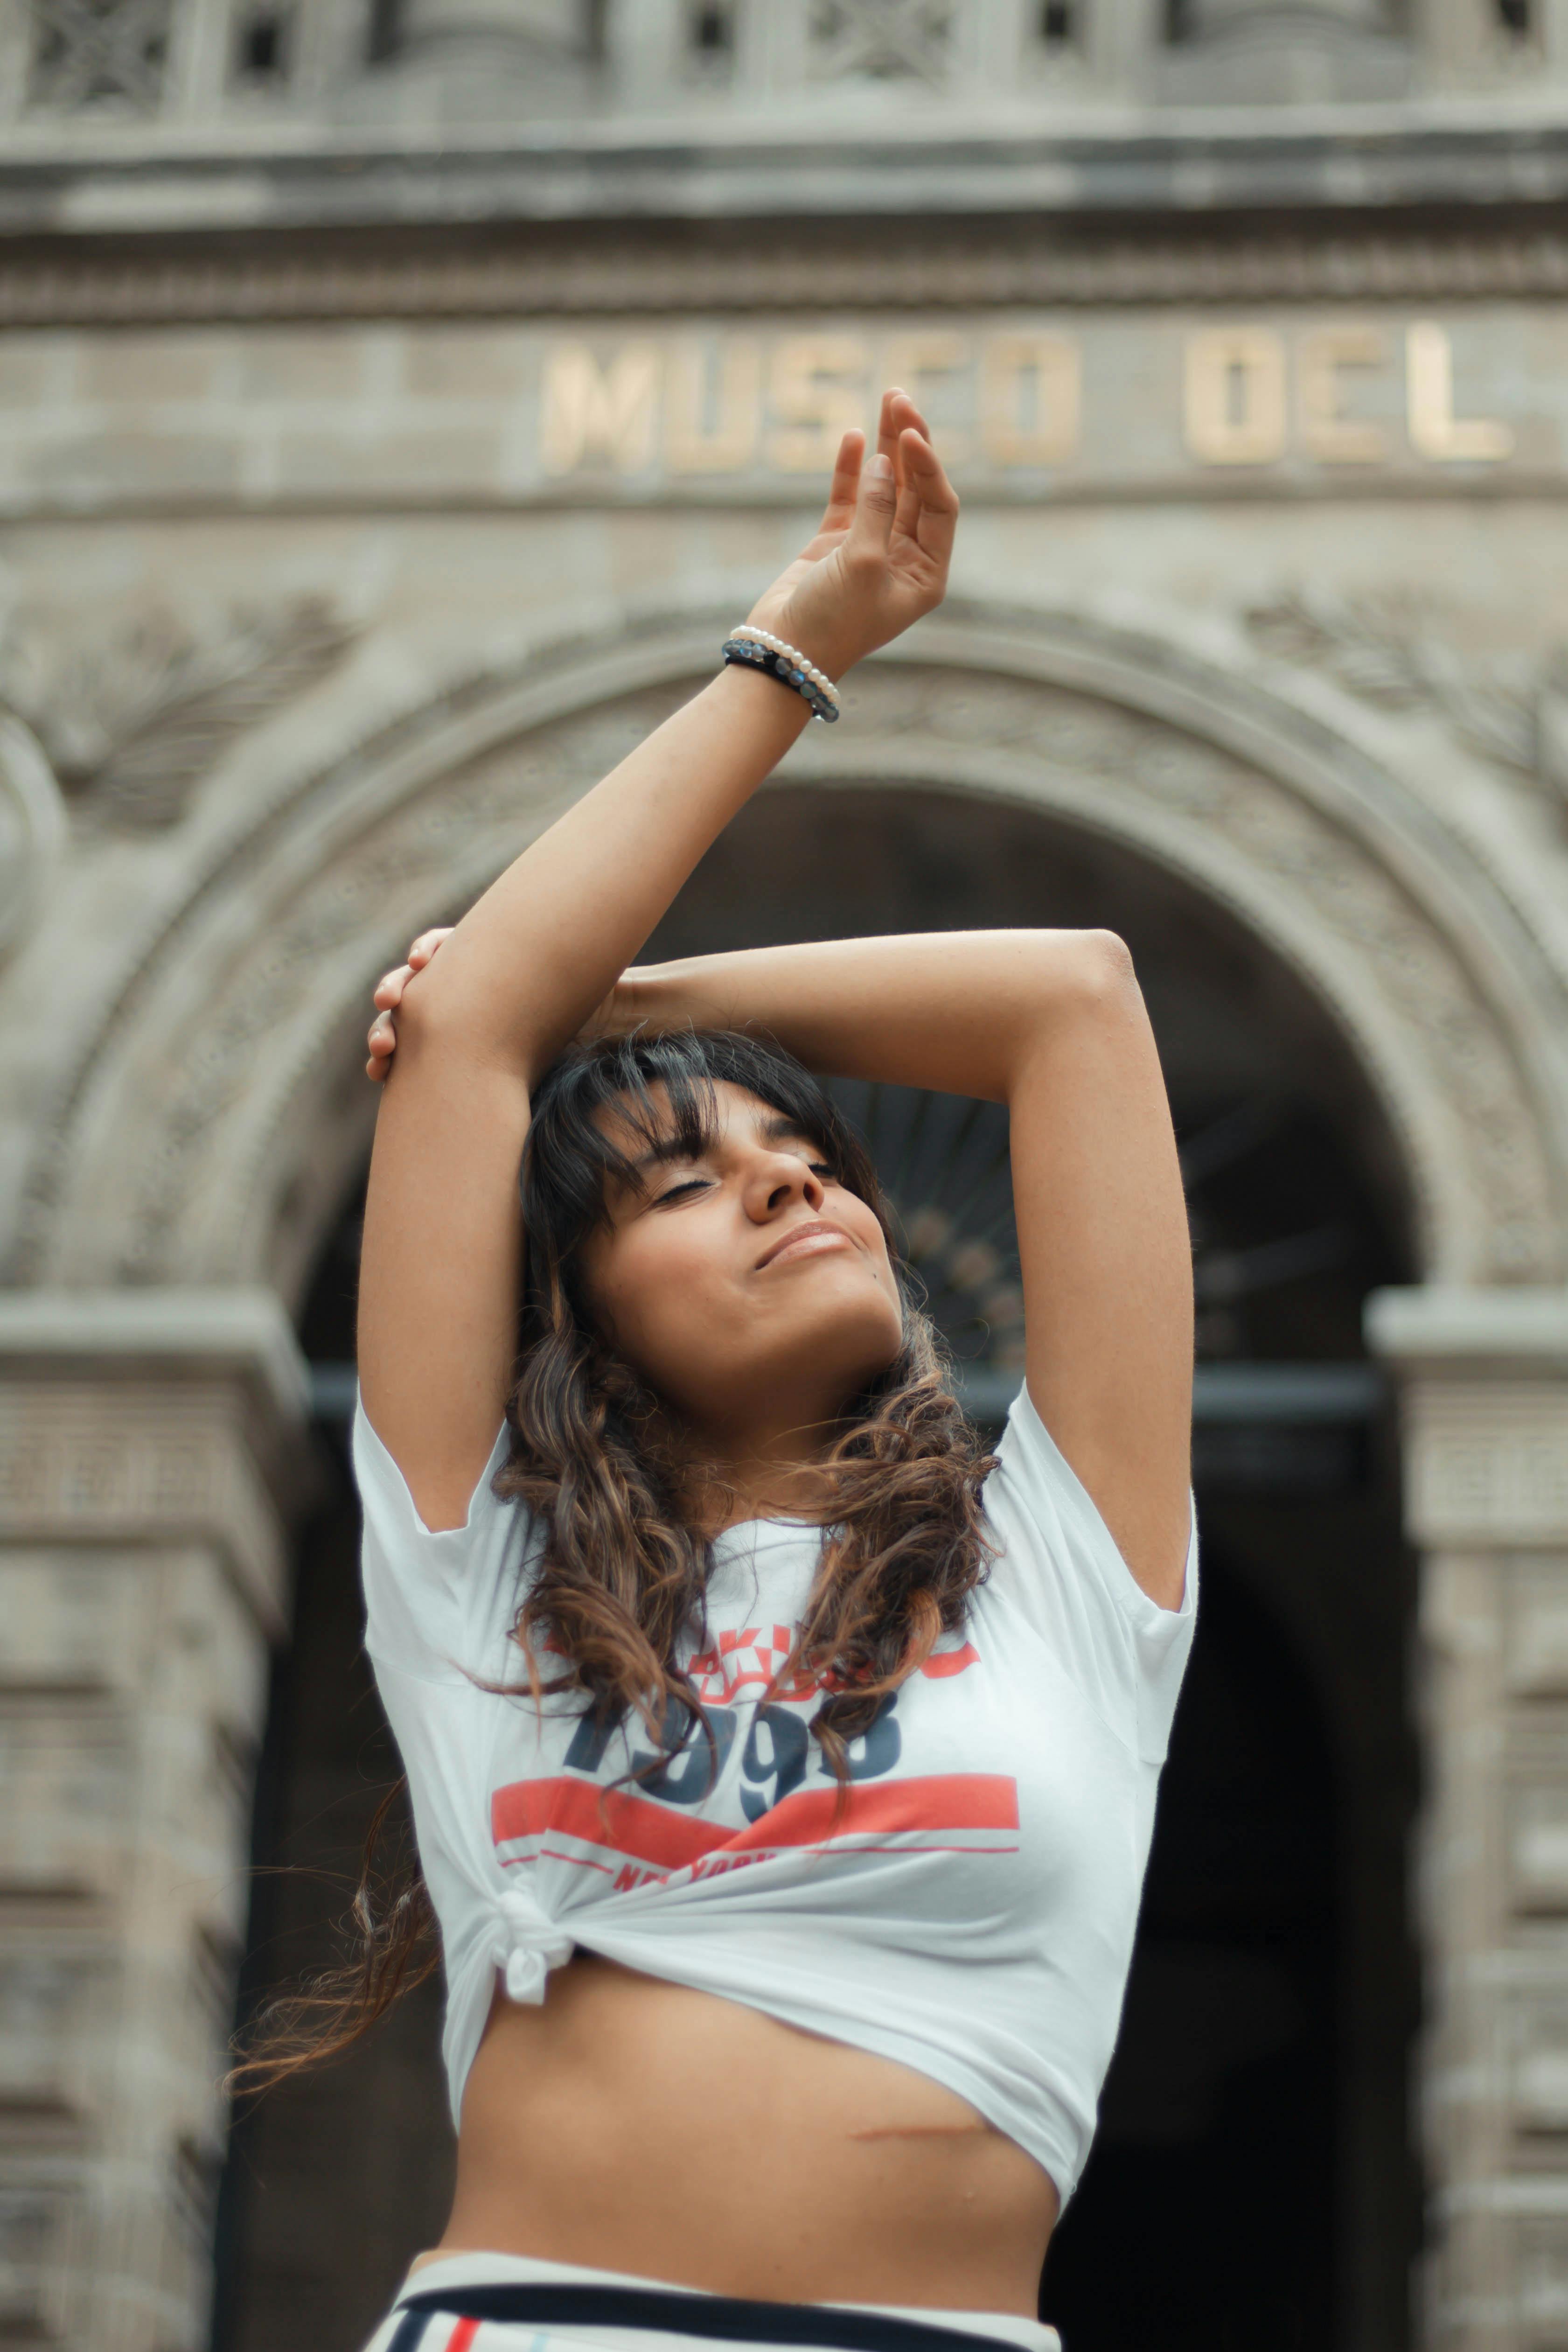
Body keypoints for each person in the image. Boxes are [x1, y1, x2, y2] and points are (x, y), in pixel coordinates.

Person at [264, 388, 1197, 2352]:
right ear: (578, 1315)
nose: (788, 1190)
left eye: (807, 1161)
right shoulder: (485, 1578)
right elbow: (464, 1043)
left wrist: (633, 1008)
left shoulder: (1056, 1571)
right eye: (690, 1183)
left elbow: (1071, 1003)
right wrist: (796, 645)